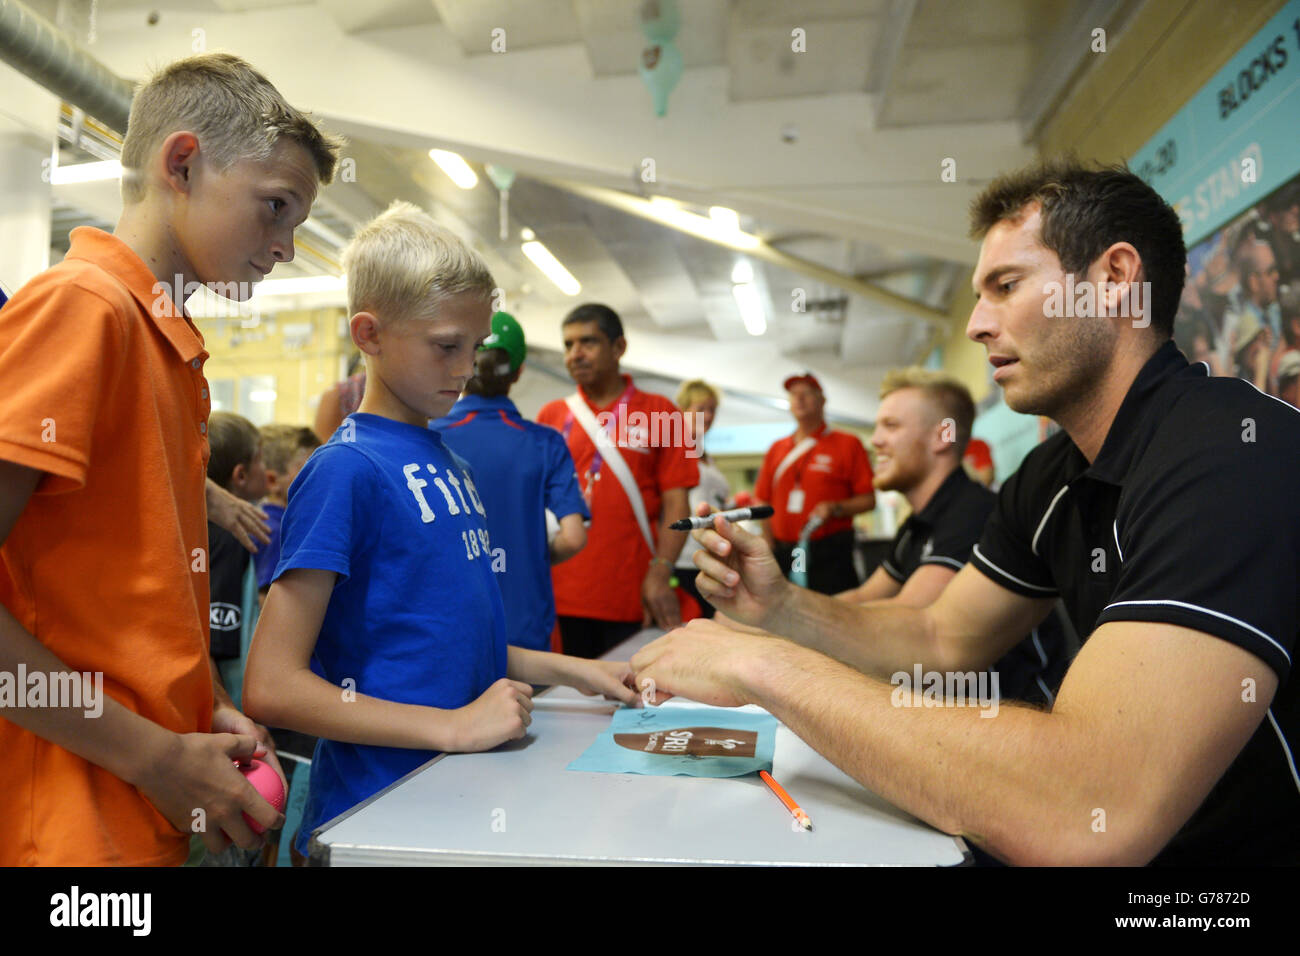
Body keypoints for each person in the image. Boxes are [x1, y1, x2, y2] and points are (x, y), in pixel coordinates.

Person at [632, 158, 1299, 865]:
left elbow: (1092, 806)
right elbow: (940, 637)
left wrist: (761, 665)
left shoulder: (1233, 454)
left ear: (1115, 279)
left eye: (1006, 287)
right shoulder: (1052, 473)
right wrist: (782, 611)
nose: (979, 326)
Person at [0, 52, 341, 864]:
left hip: (141, 804)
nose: (287, 246)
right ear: (182, 163)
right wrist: (151, 755)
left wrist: (202, 705)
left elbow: (125, 601)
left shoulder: (164, 344)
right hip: (75, 824)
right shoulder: (82, 310)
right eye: (274, 208)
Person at [242, 203, 637, 864]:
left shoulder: (448, 461)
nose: (466, 367)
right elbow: (272, 686)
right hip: (375, 811)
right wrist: (452, 727)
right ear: (369, 334)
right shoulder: (347, 470)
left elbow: (448, 638)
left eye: (476, 346)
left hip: (455, 794)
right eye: (447, 346)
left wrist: (580, 672)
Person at [837, 368, 1067, 705]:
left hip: (1015, 714)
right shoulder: (918, 522)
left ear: (943, 435)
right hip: (957, 706)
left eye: (891, 425)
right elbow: (862, 597)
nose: (875, 440)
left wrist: (787, 617)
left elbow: (909, 618)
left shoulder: (974, 512)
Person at [536, 304, 698, 658]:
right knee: (565, 708)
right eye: (568, 345)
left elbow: (677, 502)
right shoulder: (551, 415)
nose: (575, 354)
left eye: (588, 342)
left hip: (632, 593)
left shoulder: (661, 411)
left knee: (629, 703)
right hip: (559, 594)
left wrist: (662, 570)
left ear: (619, 347)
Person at [431, 311, 590, 651]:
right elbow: (574, 538)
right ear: (518, 372)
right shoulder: (544, 442)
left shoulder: (428, 437)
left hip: (447, 631)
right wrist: (529, 554)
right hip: (525, 630)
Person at [753, 372, 874, 595]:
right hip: (783, 552)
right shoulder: (776, 449)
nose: (799, 399)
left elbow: (868, 499)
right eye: (793, 394)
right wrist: (768, 541)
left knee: (835, 614)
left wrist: (836, 508)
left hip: (829, 552)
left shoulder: (848, 444)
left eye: (806, 393)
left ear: (822, 400)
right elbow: (762, 499)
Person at [205, 412, 269, 700]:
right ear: (240, 475)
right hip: (230, 699)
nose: (267, 469)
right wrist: (229, 712)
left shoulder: (204, 531)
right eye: (261, 460)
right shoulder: (230, 538)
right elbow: (213, 641)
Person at [673, 379, 731, 619]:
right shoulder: (674, 451)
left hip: (709, 555)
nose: (707, 416)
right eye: (700, 409)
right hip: (683, 558)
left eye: (712, 409)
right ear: (683, 411)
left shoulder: (706, 456)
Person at [253, 423, 321, 597]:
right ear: (272, 481)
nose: (319, 476)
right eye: (308, 469)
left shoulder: (262, 520)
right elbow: (267, 598)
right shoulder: (277, 531)